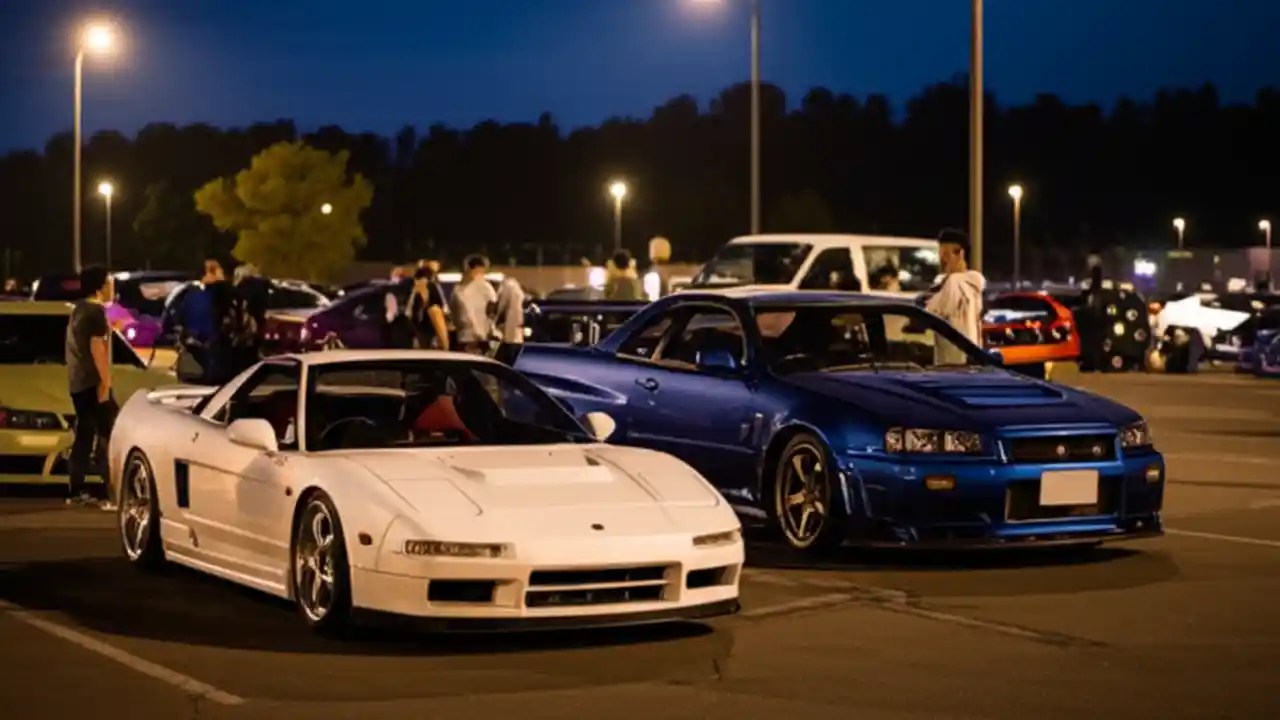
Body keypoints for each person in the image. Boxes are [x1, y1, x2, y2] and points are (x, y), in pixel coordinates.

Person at [64, 265, 118, 510]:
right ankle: (110, 492)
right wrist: (105, 384)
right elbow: (98, 351)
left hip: (78, 383)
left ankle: (77, 489)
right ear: (99, 287)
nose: (112, 288)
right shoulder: (96, 313)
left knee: (85, 437)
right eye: (109, 283)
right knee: (109, 436)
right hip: (92, 383)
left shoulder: (77, 310)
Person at [924, 229, 986, 360]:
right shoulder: (972, 282)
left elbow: (930, 312)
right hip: (972, 354)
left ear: (961, 254)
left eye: (946, 254)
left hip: (952, 359)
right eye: (941, 254)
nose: (943, 259)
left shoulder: (955, 282)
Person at [450, 254, 497, 353]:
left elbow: (454, 315)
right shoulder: (487, 288)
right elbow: (493, 311)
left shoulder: (458, 289)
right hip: (482, 338)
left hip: (464, 337)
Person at [406, 265, 450, 350]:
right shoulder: (432, 287)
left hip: (423, 330)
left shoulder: (416, 290)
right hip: (428, 330)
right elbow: (442, 310)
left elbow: (409, 313)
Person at [493, 276, 526, 345]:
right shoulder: (517, 290)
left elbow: (501, 306)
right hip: (517, 326)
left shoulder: (507, 288)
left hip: (508, 326)